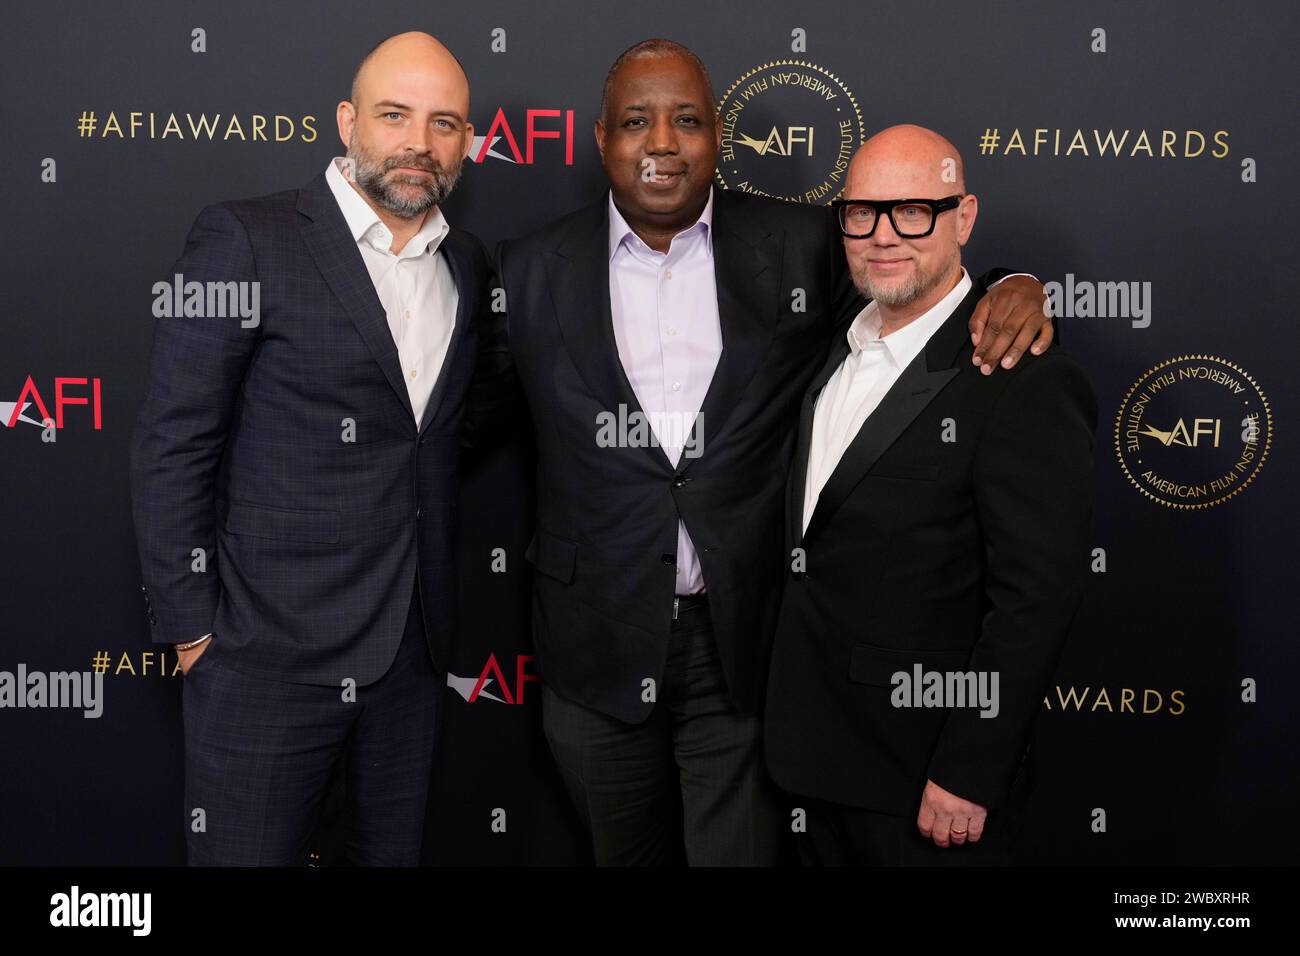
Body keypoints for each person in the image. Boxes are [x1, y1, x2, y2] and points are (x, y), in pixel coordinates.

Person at [490, 40, 1054, 865]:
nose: (662, 143)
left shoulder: (800, 242)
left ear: (718, 137)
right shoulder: (527, 269)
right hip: (594, 649)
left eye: (687, 121)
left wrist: (1013, 284)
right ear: (601, 138)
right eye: (636, 122)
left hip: (749, 652)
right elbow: (462, 421)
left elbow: (915, 282)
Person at [130, 32, 489, 865]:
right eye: (394, 115)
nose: (419, 142)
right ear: (347, 122)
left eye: (443, 123)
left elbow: (442, 434)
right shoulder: (246, 238)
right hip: (262, 659)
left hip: (411, 659)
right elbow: (174, 442)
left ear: (466, 141)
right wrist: (193, 632)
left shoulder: (467, 267)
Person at [763, 125, 1097, 865]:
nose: (883, 236)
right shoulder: (838, 342)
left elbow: (1037, 599)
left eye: (914, 212)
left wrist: (971, 770)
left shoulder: (1020, 378)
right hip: (806, 761)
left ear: (964, 217)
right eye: (863, 212)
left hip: (923, 780)